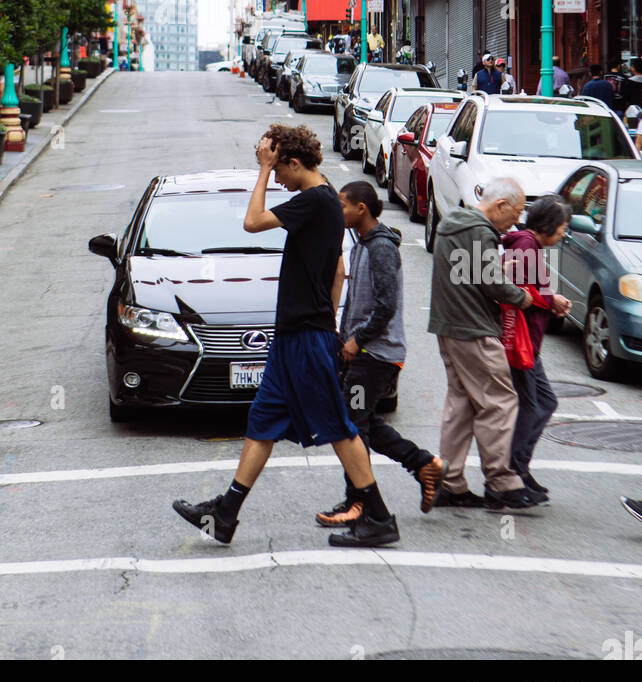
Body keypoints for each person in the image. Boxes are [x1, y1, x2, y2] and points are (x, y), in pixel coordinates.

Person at [172, 124, 400, 549]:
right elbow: (337, 270)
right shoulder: (328, 198)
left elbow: (252, 221)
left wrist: (261, 169)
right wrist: (329, 324)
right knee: (261, 423)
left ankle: (380, 517)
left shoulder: (314, 199)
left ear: (294, 163)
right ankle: (225, 513)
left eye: (280, 171)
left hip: (304, 336)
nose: (276, 179)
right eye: (272, 173)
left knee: (339, 426)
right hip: (297, 334)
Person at [315, 181, 445, 529]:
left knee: (351, 428)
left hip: (376, 355)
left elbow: (386, 305)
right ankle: (421, 464)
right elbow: (358, 303)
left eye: (342, 205)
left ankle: (358, 503)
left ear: (361, 209)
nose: (338, 211)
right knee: (363, 422)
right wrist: (342, 338)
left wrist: (357, 341)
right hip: (363, 354)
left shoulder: (381, 248)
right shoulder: (361, 245)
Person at [428, 178, 544, 511]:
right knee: (499, 401)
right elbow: (491, 282)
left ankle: (450, 483)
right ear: (501, 205)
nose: (517, 221)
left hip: (448, 326)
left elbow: (469, 273)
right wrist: (522, 297)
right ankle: (501, 482)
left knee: (461, 403)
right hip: (473, 329)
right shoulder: (479, 231)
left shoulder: (452, 222)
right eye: (517, 212)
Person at [501, 195, 572, 493]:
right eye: (562, 228)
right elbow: (516, 289)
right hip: (522, 342)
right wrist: (550, 299)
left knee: (544, 402)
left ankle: (519, 468)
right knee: (532, 407)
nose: (564, 234)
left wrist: (550, 300)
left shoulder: (530, 244)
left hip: (531, 343)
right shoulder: (527, 244)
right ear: (548, 226)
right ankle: (513, 472)